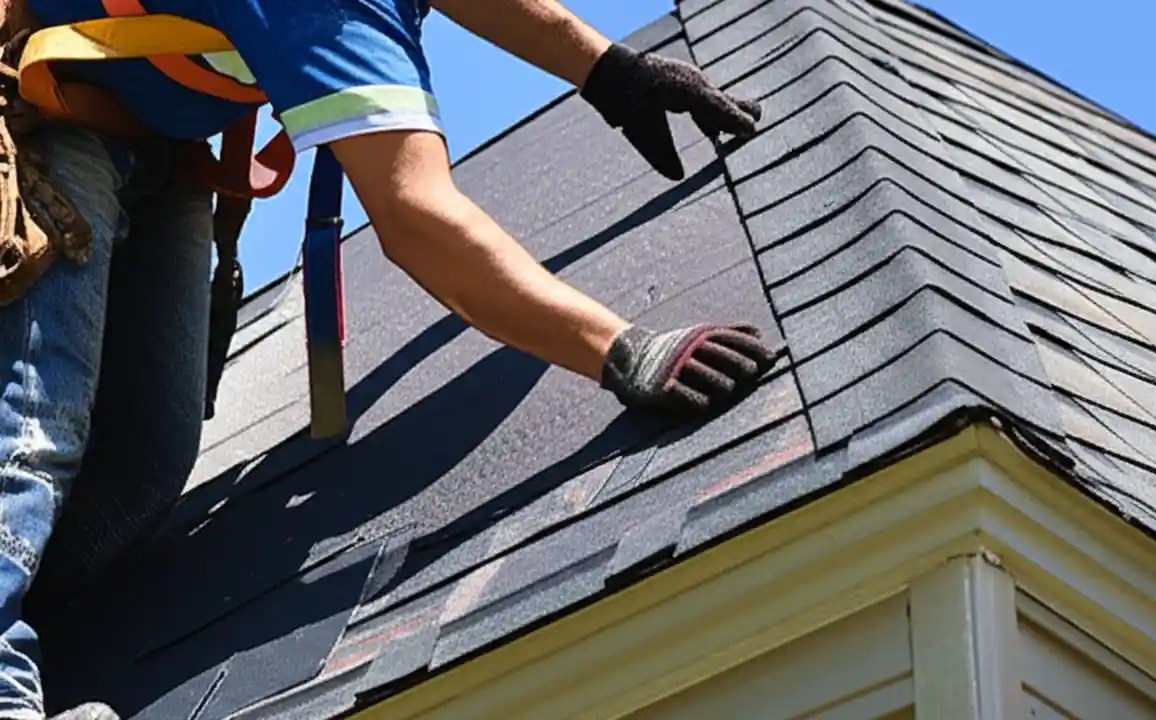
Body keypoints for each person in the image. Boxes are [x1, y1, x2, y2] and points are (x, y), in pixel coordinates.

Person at [0, 0, 775, 717]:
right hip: (36, 98)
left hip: (150, 137)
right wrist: (620, 348)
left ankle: (30, 611)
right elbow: (416, 220)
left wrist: (609, 71)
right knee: (38, 430)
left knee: (139, 469)